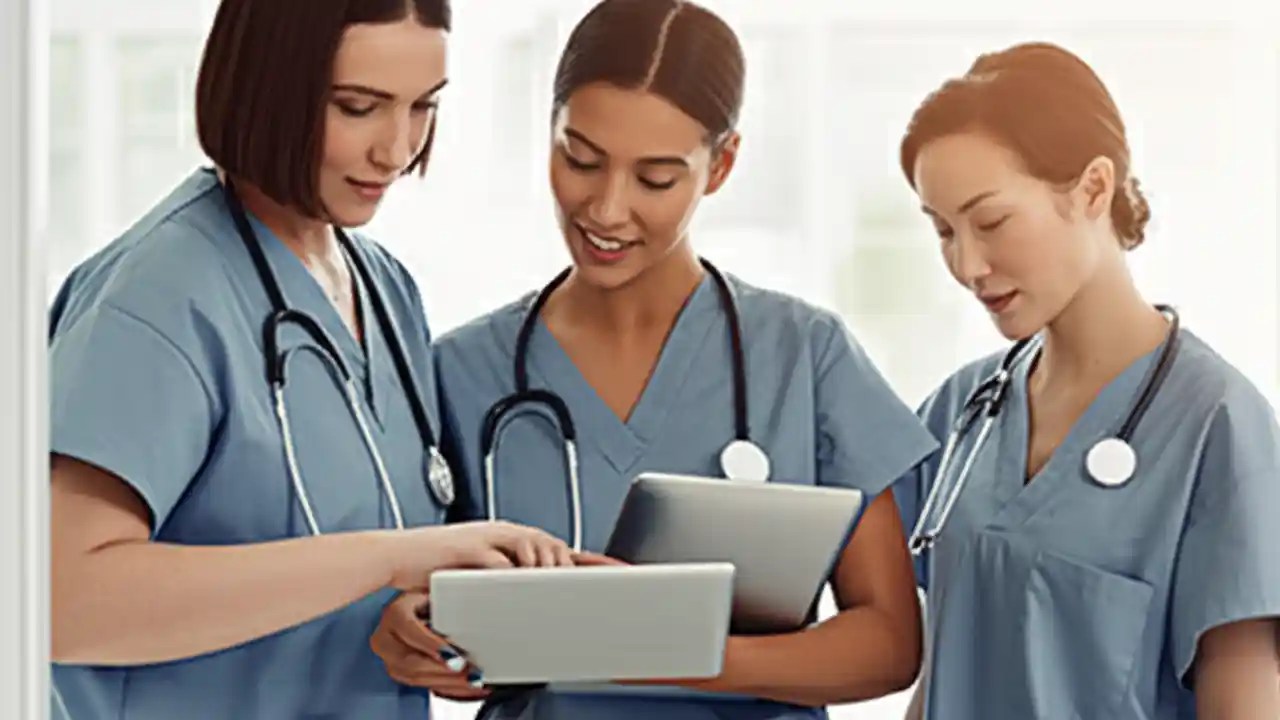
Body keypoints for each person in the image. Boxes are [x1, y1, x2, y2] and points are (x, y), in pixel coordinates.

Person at [369, 1, 939, 718]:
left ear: (721, 164)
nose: (607, 209)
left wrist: (670, 651)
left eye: (657, 179)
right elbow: (404, 596)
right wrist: (409, 635)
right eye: (580, 159)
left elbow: (888, 643)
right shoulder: (460, 373)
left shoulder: (805, 356)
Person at [47, 2, 575, 719]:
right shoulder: (159, 297)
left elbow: (345, 569)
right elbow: (62, 599)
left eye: (423, 107)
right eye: (360, 107)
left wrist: (418, 619)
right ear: (268, 88)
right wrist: (390, 558)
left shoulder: (385, 290)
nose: (397, 149)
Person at [892, 41, 1280, 720]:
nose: (969, 264)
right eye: (944, 231)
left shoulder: (1216, 425)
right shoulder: (962, 410)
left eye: (991, 222)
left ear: (1094, 188)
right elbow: (950, 664)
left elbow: (1244, 701)